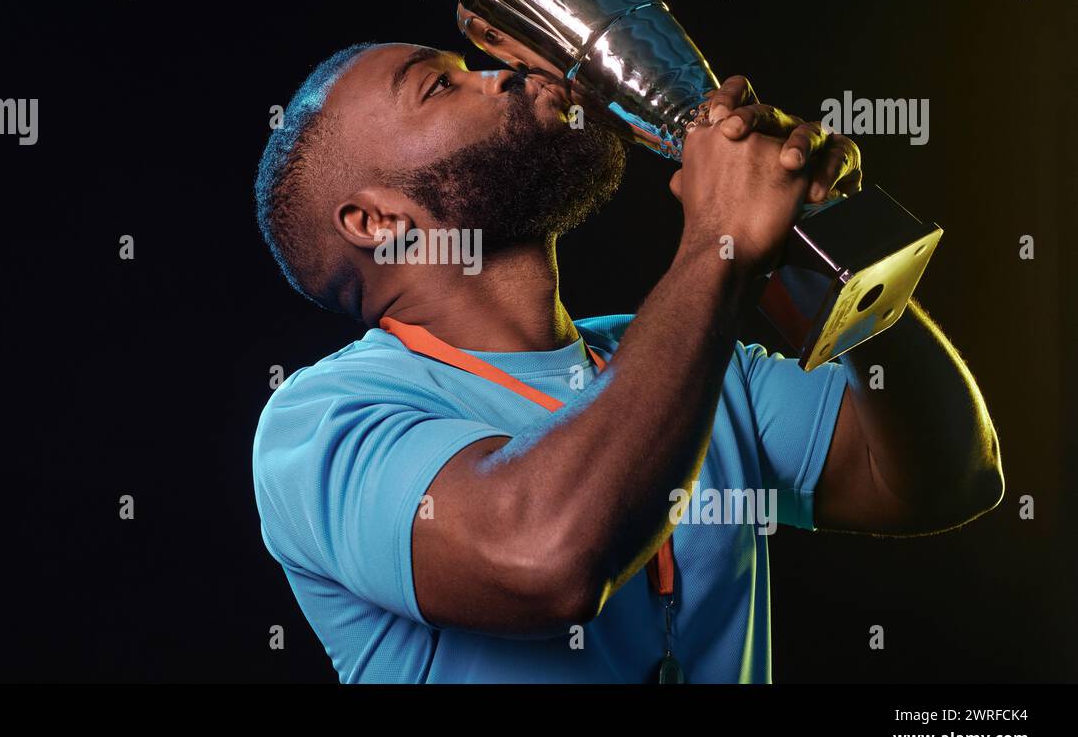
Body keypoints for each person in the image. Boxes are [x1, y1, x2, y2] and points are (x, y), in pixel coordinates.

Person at [251, 41, 1003, 683]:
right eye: (441, 84)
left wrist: (822, 243)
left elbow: (945, 482)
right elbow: (544, 557)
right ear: (378, 221)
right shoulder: (321, 420)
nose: (501, 72)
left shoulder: (689, 359)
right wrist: (718, 242)